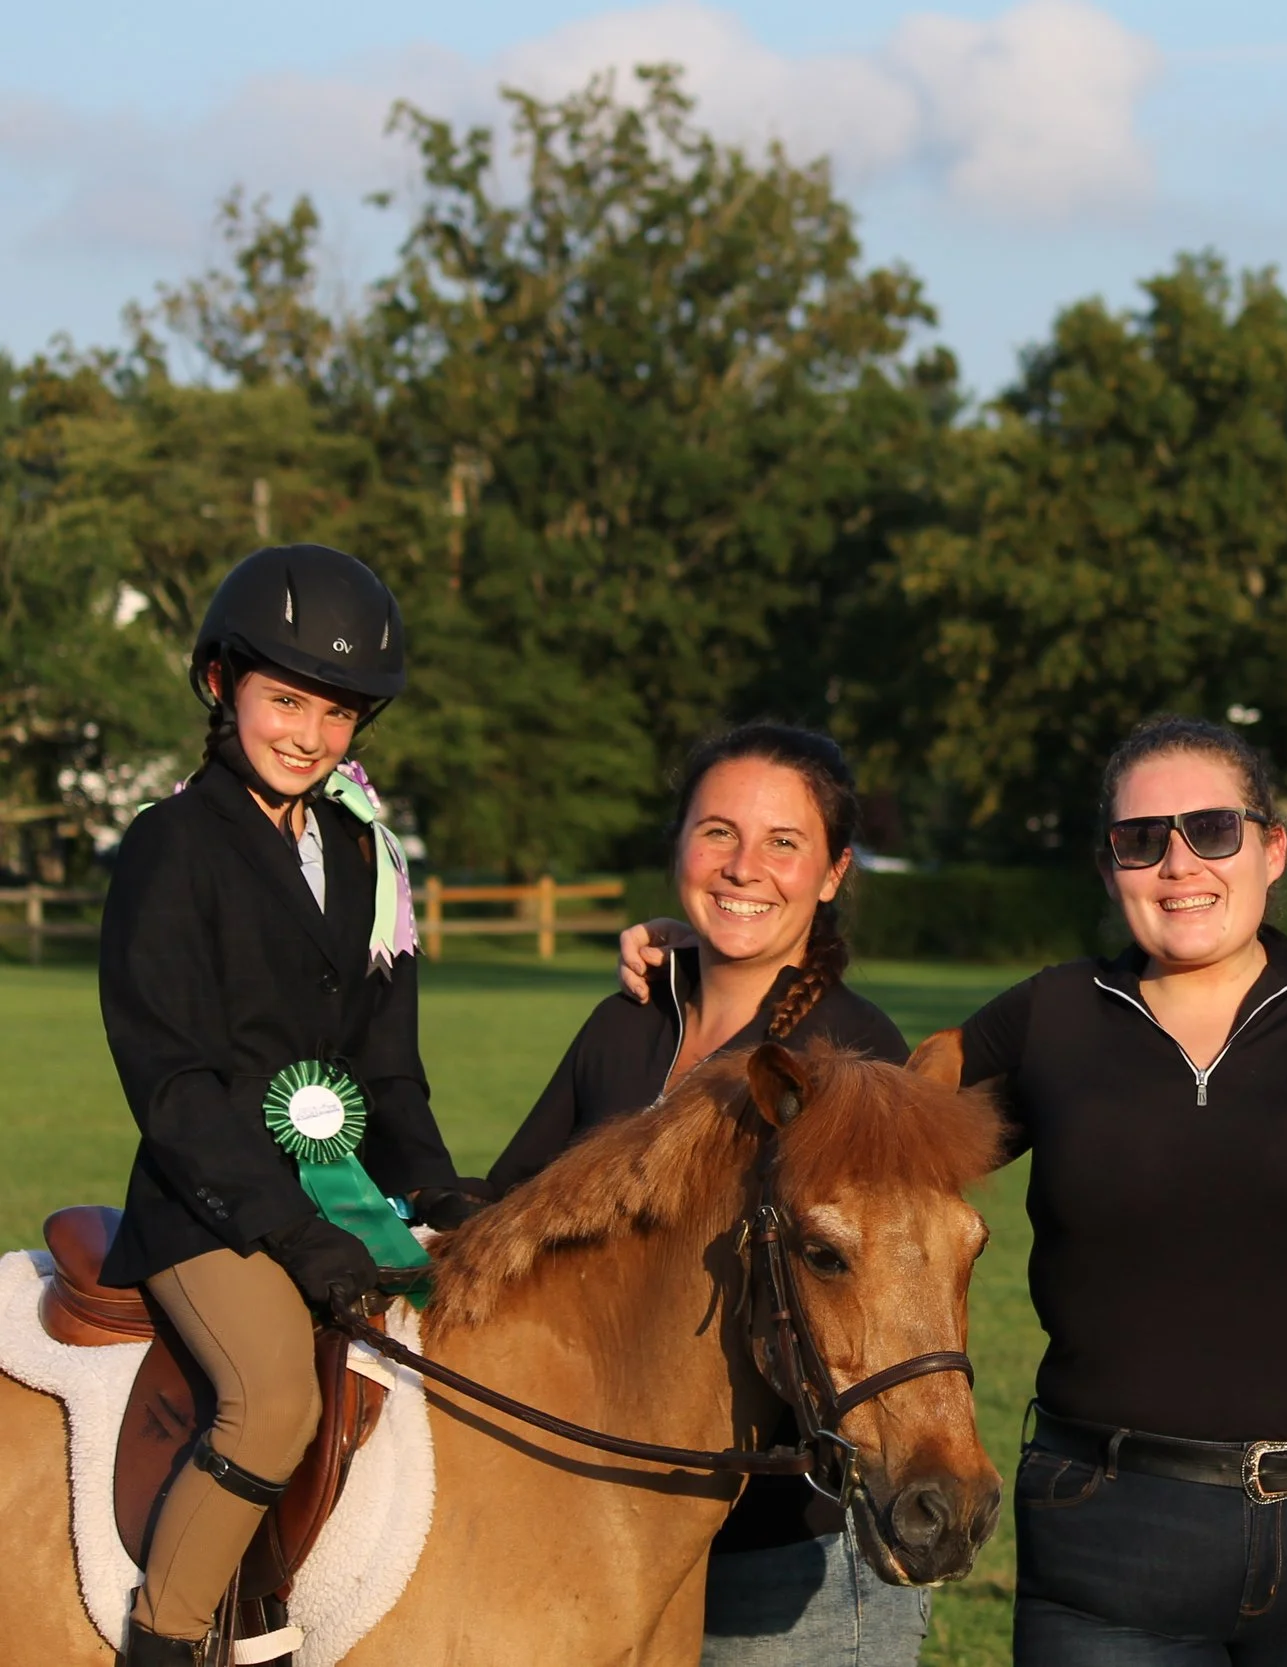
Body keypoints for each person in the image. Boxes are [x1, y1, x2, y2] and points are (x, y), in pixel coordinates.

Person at [954, 716, 1287, 1666]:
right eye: (1141, 839)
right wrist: (714, 970)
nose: (1179, 862)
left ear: (1274, 848)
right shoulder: (1053, 1015)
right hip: (1107, 1535)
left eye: (1215, 829)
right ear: (1109, 866)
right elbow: (858, 1125)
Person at [98, 545, 482, 1667]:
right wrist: (292, 1230)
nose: (311, 735)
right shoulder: (171, 847)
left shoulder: (365, 850)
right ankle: (167, 1640)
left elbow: (385, 1064)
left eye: (339, 713)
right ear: (222, 685)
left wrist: (440, 1188)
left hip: (340, 1194)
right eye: (288, 700)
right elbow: (172, 1084)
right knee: (270, 1397)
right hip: (207, 1205)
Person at [490, 722, 924, 1667]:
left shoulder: (851, 1062)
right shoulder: (627, 1023)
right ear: (679, 844)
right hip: (592, 1536)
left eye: (784, 843)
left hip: (781, 1566)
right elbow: (507, 1214)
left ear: (834, 871)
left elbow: (883, 1299)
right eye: (717, 831)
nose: (744, 867)